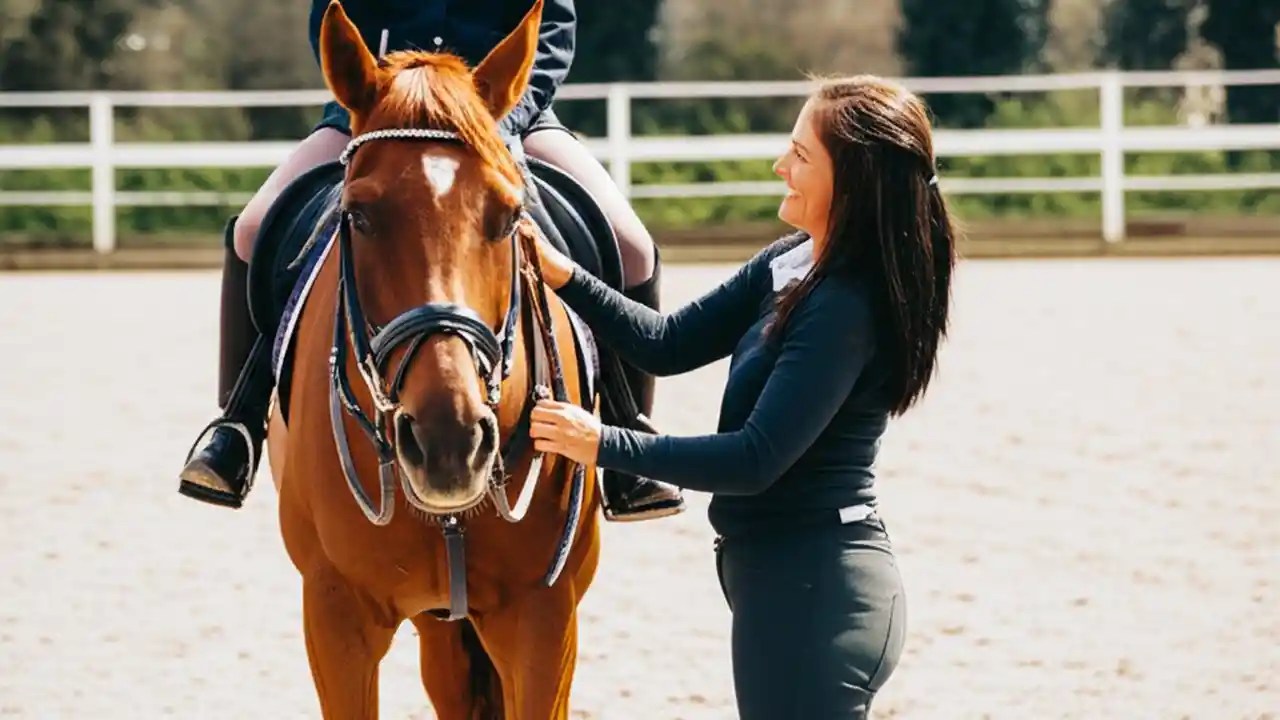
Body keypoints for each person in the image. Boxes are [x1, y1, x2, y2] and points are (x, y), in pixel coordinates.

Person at [528, 75, 957, 718]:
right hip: (784, 582)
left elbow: (752, 461)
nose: (780, 165)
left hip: (814, 593)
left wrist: (604, 444)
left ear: (855, 179)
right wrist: (563, 273)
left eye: (801, 156)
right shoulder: (794, 261)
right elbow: (668, 344)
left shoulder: (844, 305)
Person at [176, 0, 684, 522]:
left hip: (502, 111)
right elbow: (331, 23)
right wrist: (376, 96)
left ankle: (627, 441)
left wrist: (504, 110)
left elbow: (552, 28)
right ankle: (236, 427)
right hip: (380, 112)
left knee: (631, 246)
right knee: (252, 230)